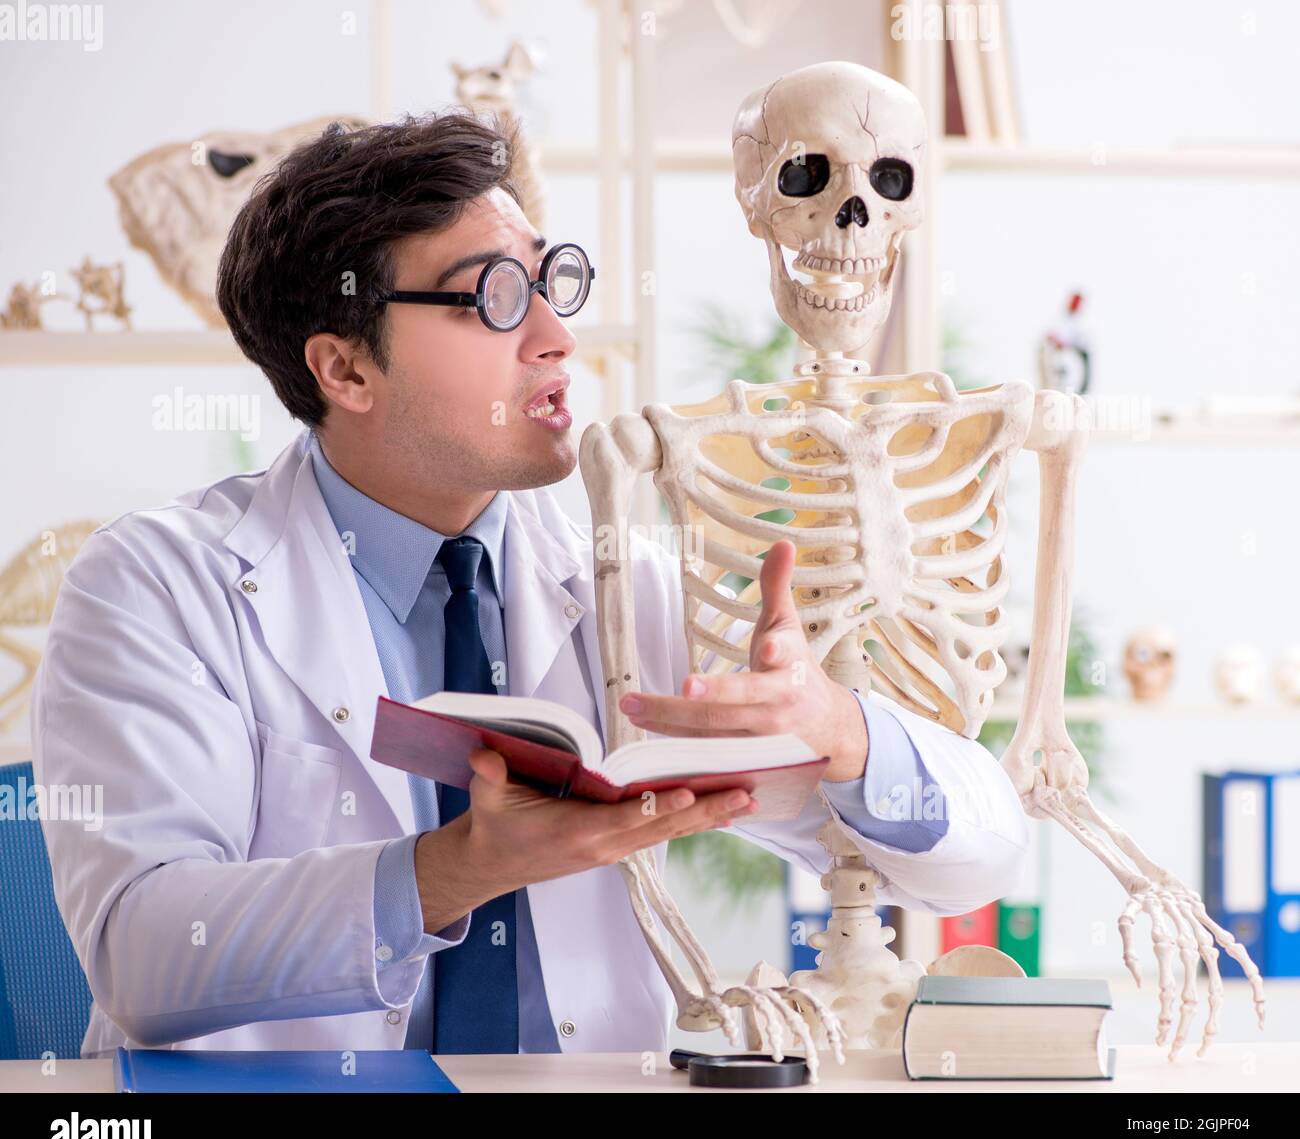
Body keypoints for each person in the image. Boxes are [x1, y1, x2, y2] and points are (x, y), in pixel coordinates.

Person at [33, 111, 1029, 1057]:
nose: (555, 336)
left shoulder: (629, 591)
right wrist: (456, 870)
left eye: (552, 282)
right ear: (344, 372)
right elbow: (143, 955)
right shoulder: (158, 585)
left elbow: (968, 862)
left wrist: (842, 731)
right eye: (495, 298)